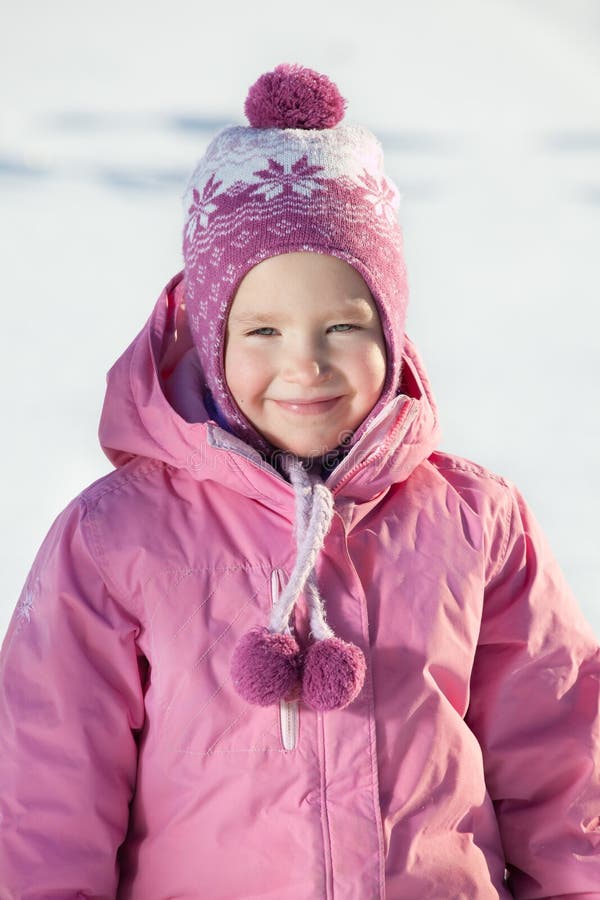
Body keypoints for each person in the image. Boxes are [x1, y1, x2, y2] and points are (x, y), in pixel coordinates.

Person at [0, 63, 598, 899]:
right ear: (209, 335)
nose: (304, 363)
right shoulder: (113, 538)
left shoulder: (476, 521)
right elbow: (46, 797)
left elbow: (564, 768)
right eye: (264, 328)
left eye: (344, 324)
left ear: (392, 326)